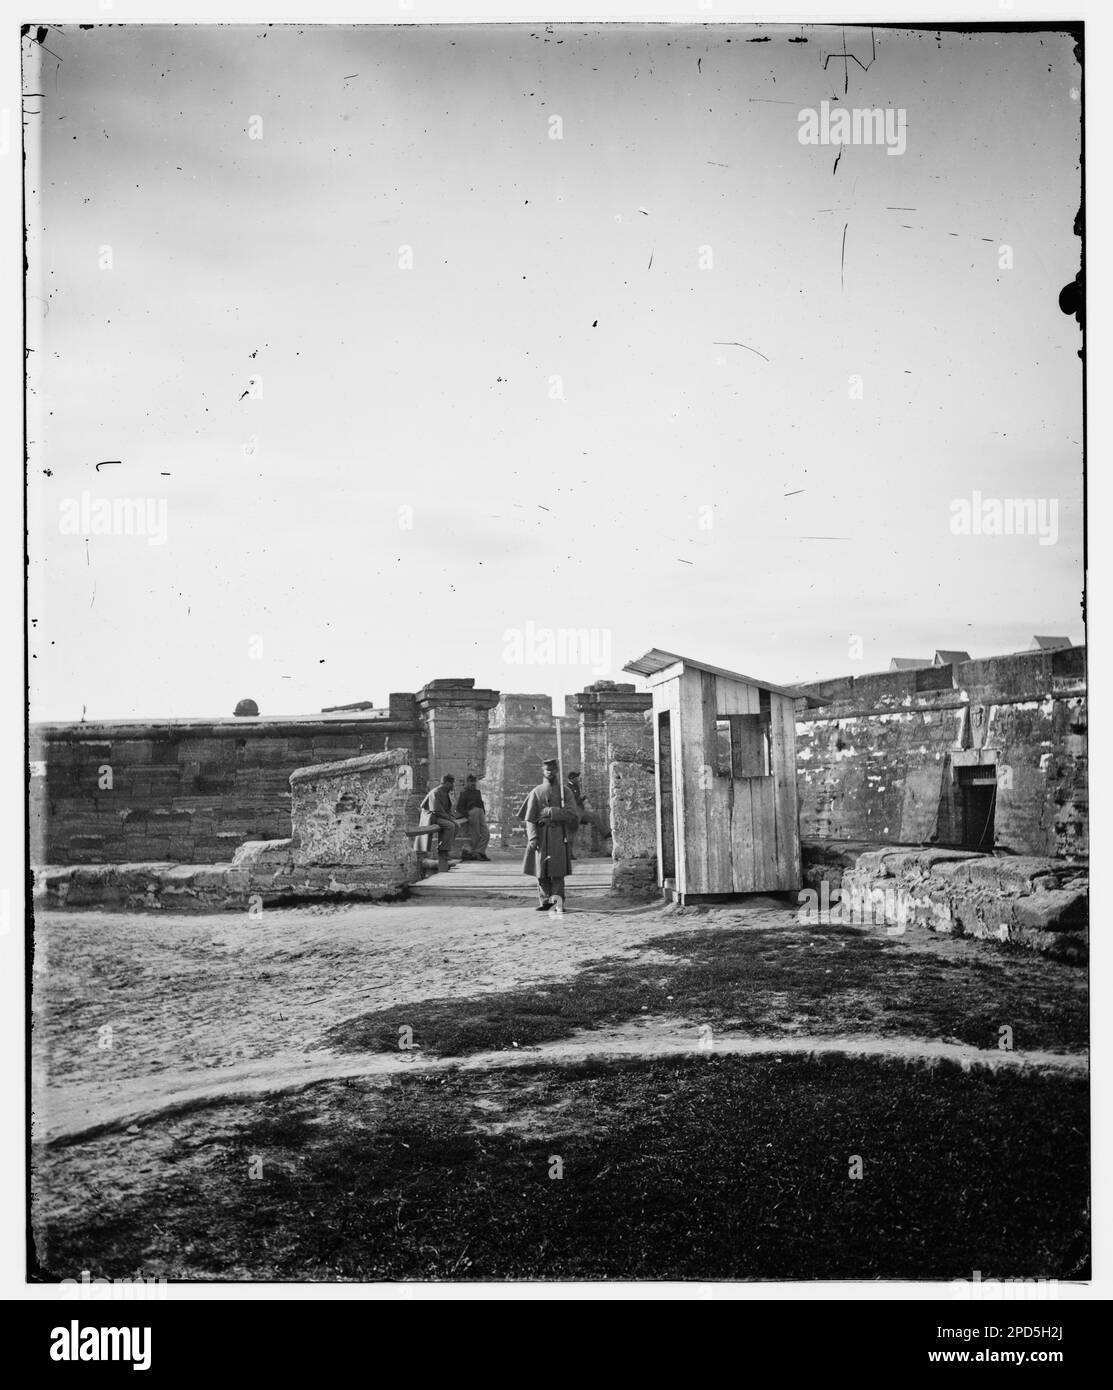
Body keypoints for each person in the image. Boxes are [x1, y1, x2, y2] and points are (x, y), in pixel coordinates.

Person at [519, 758, 579, 913]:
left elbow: (572, 813)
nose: (550, 772)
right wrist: (532, 837)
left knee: (557, 871)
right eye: (547, 770)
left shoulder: (565, 792)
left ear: (557, 771)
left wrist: (550, 812)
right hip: (540, 836)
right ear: (543, 771)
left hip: (558, 835)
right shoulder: (536, 792)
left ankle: (558, 902)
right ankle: (545, 901)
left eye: (553, 769)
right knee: (541, 871)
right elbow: (530, 818)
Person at [565, 770, 612, 853]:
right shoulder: (568, 788)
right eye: (576, 777)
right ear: (572, 779)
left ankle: (605, 833)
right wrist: (582, 798)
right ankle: (570, 853)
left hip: (580, 811)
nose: (578, 779)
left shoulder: (576, 786)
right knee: (572, 832)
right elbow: (572, 802)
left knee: (595, 816)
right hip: (574, 812)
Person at [419, 774, 457, 861]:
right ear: (447, 783)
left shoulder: (446, 792)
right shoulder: (436, 792)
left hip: (439, 816)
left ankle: (445, 847)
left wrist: (451, 817)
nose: (453, 785)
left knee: (456, 825)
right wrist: (449, 818)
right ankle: (443, 851)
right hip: (431, 816)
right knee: (450, 826)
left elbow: (447, 809)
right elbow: (437, 810)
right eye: (452, 783)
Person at [454, 774, 491, 861]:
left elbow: (481, 803)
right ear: (467, 783)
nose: (473, 784)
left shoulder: (477, 792)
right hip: (472, 813)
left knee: (486, 834)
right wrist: (468, 814)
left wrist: (483, 811)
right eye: (471, 782)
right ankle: (477, 853)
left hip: (480, 813)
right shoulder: (464, 793)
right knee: (476, 834)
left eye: (474, 782)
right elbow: (459, 808)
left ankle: (480, 851)